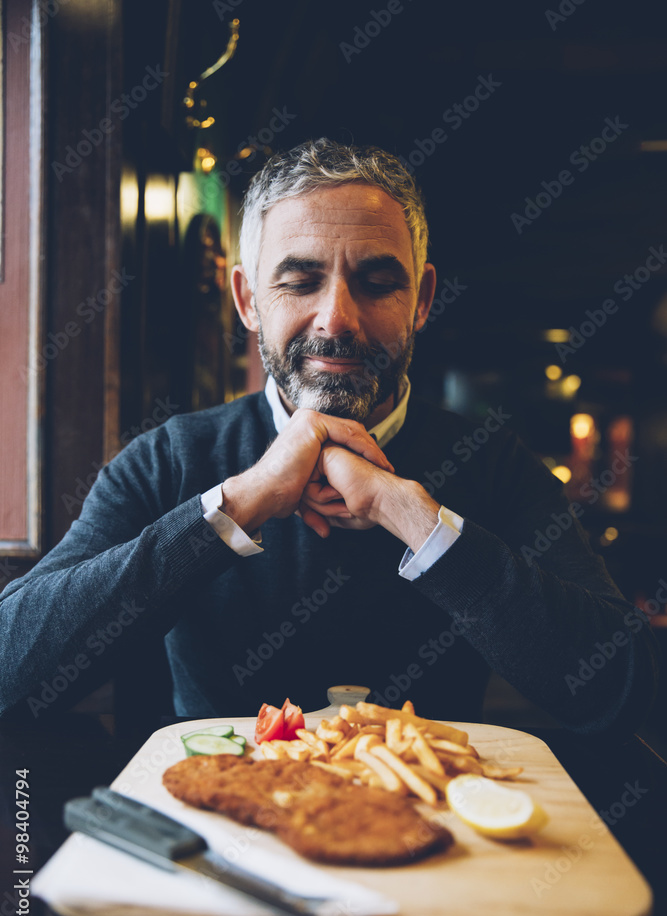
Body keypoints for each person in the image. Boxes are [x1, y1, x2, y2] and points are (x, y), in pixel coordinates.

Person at [0, 138, 658, 736]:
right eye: (299, 280)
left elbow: (624, 688)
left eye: (376, 283)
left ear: (421, 301)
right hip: (211, 841)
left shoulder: (495, 466)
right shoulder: (171, 460)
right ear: (249, 300)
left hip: (439, 849)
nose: (336, 319)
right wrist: (240, 503)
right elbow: (10, 672)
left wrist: (413, 515)